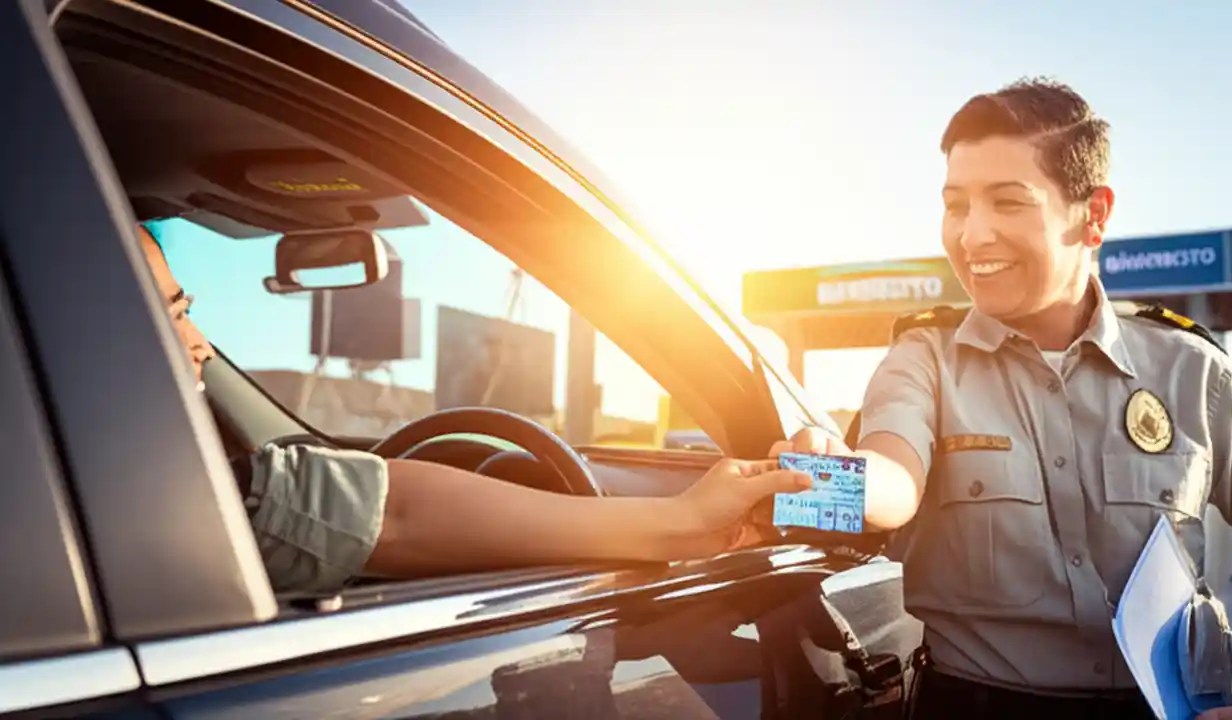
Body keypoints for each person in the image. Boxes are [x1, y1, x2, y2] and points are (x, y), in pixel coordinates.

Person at [772, 77, 1232, 719]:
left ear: (1093, 215)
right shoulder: (924, 360)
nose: (971, 235)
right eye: (955, 206)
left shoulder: (1191, 373)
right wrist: (821, 479)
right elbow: (892, 479)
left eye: (1007, 203)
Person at [135, 225, 811, 593]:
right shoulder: (158, 495)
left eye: (190, 312)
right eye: (172, 316)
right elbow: (393, 517)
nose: (202, 347)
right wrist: (680, 521)